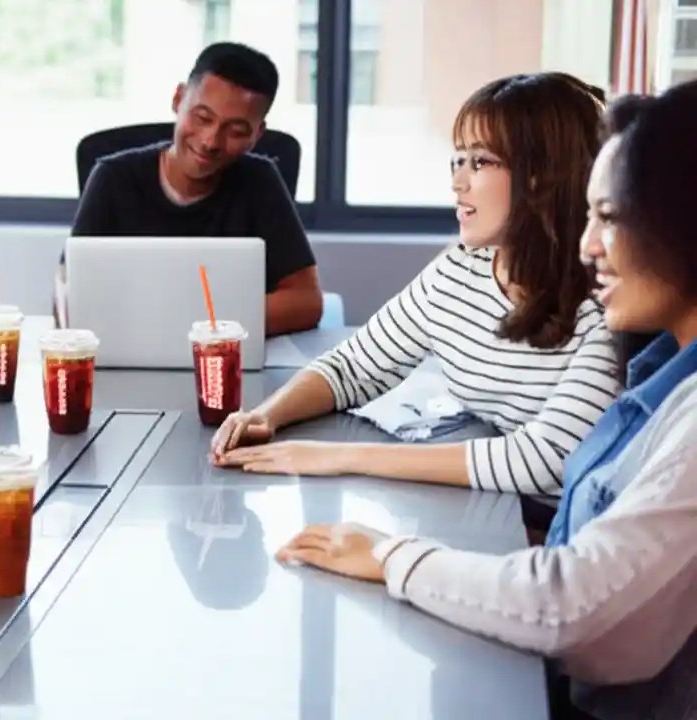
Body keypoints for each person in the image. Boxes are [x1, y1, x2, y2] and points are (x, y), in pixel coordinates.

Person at [277, 82, 697, 720]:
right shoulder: (661, 369)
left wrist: (388, 550)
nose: (589, 247)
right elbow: (360, 362)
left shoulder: (643, 363)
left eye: (611, 217)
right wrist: (268, 416)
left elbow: (569, 605)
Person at [213, 73, 618, 497]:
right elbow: (354, 365)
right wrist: (266, 415)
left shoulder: (607, 302)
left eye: (480, 162)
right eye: (458, 160)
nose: (458, 182)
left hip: (558, 525)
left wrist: (341, 457)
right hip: (491, 505)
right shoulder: (462, 267)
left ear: (541, 176)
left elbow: (545, 461)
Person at [59, 42, 322, 336]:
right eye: (202, 118)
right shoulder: (113, 178)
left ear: (257, 135)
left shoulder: (261, 181)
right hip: (130, 349)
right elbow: (68, 297)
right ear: (178, 99)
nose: (211, 141)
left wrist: (202, 325)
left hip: (224, 354)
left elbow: (306, 301)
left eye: (236, 131)